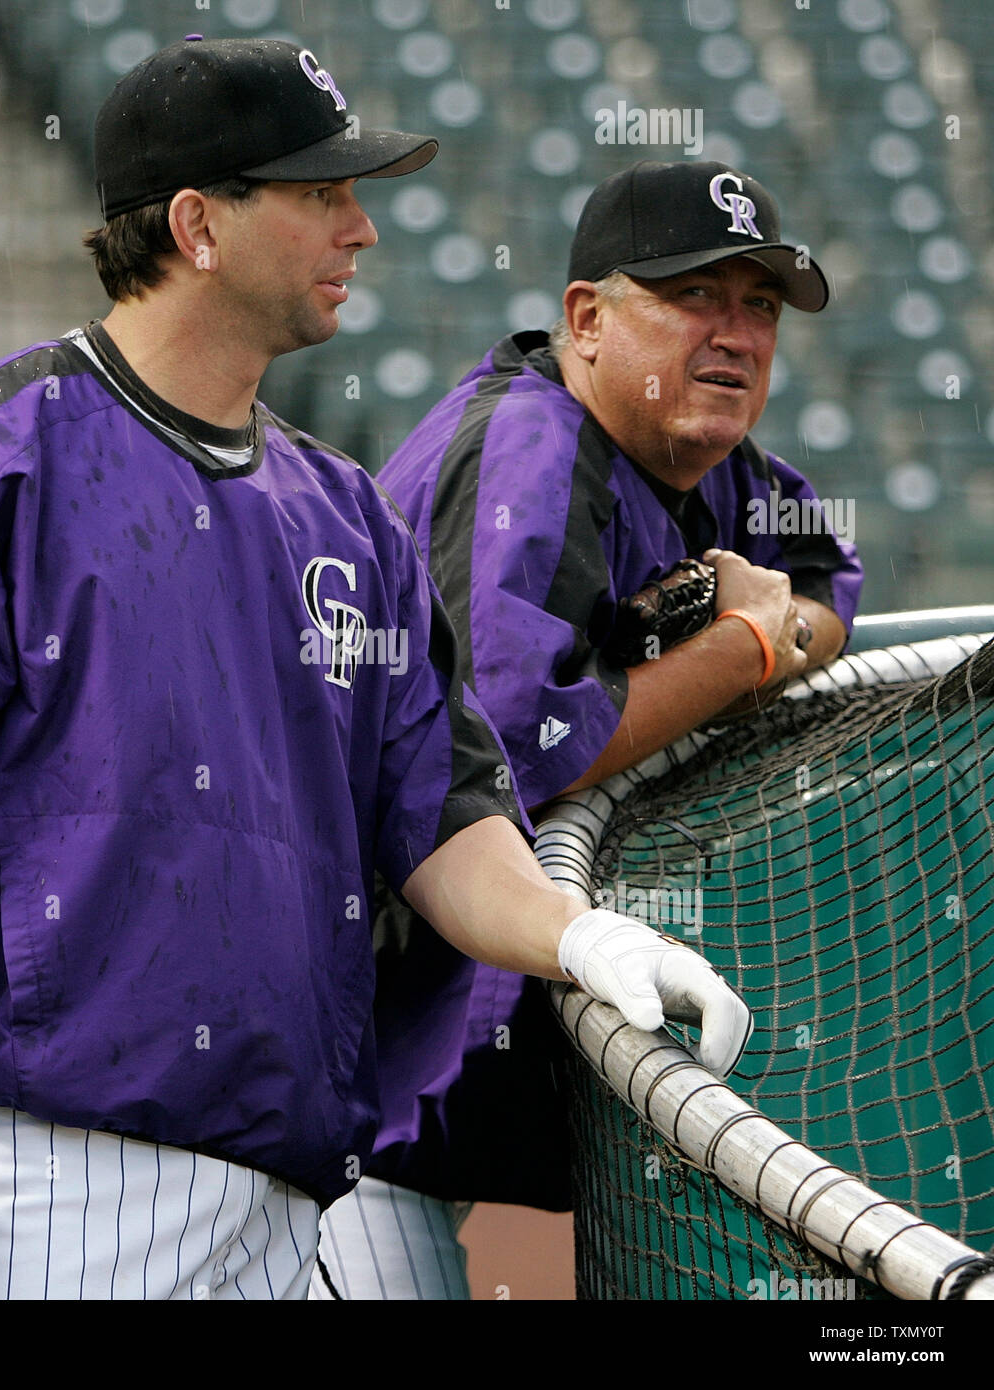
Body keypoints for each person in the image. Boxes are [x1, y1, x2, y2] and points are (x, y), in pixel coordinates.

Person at [0, 52, 751, 1302]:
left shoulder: (348, 516)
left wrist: (577, 936)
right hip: (47, 1167)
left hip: (284, 1193)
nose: (360, 226)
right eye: (320, 192)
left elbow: (437, 817)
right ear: (197, 224)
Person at [315, 159, 863, 1299]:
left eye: (757, 305)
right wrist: (741, 652)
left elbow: (825, 581)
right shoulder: (534, 445)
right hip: (311, 1073)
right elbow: (503, 751)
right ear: (584, 320)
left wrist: (774, 628)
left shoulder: (698, 463)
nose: (733, 335)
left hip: (416, 1032)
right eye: (691, 297)